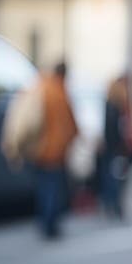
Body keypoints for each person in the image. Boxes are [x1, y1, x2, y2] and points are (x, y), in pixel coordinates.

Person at [30, 61, 78, 239]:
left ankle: (43, 220)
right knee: (53, 188)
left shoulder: (42, 87)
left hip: (39, 148)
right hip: (55, 150)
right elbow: (70, 121)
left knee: (43, 186)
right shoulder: (60, 92)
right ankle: (50, 224)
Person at [101, 74, 132, 219]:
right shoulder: (117, 105)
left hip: (113, 147)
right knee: (115, 178)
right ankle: (114, 206)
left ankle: (112, 205)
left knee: (113, 177)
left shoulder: (112, 103)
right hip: (116, 147)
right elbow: (115, 128)